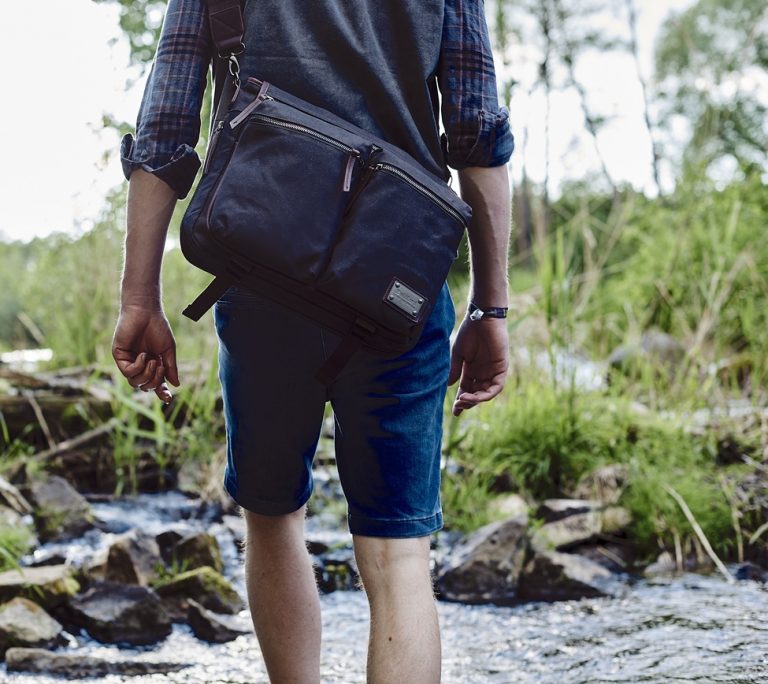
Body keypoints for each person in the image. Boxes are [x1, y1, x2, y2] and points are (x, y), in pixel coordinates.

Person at [111, 0, 513, 681]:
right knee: (398, 557)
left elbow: (165, 133)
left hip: (264, 276)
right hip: (399, 289)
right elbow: (477, 135)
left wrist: (139, 298)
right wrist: (491, 308)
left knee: (272, 520)